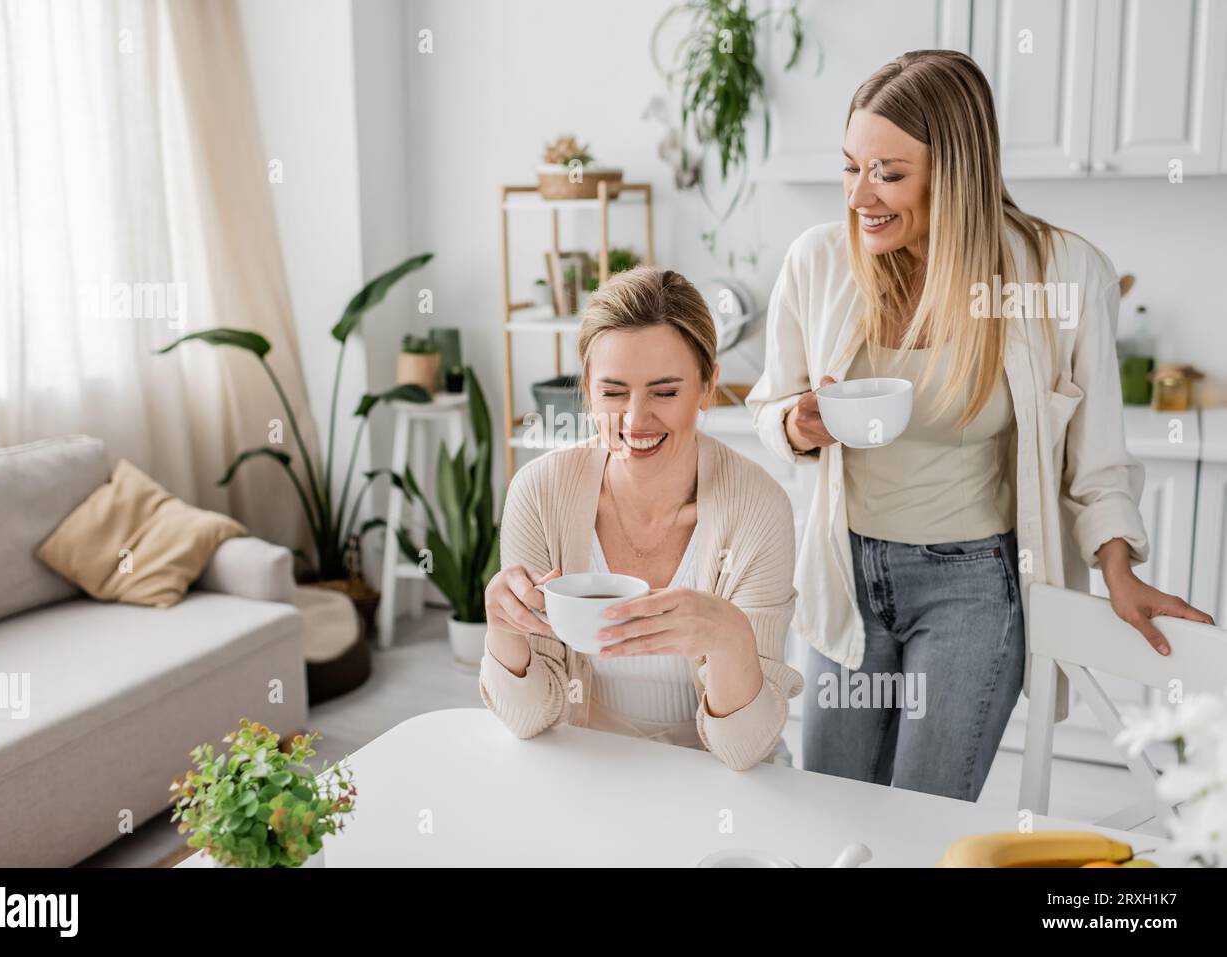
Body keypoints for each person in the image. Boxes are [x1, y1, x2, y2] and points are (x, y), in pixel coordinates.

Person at [746, 49, 1214, 801]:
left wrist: (1119, 570)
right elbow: (769, 405)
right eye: (850, 167)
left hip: (972, 585)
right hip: (845, 572)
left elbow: (1094, 461)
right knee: (829, 808)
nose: (859, 196)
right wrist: (799, 423)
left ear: (956, 171)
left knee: (927, 819)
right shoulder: (819, 262)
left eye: (888, 173)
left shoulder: (1062, 274)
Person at [480, 266, 803, 771]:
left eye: (666, 392)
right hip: (593, 775)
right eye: (612, 393)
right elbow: (526, 720)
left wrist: (730, 638)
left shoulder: (758, 508)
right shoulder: (540, 493)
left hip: (721, 785)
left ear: (708, 386)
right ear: (587, 389)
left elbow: (746, 749)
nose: (635, 420)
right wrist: (502, 630)